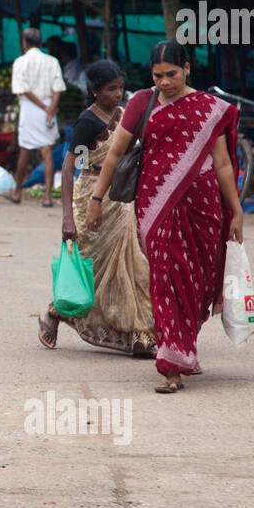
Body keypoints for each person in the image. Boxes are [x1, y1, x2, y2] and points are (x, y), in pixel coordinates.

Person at [87, 40, 244, 393]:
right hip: (156, 208)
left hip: (202, 208)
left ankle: (185, 347)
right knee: (166, 279)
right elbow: (114, 154)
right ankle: (172, 365)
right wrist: (96, 198)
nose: (165, 82)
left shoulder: (208, 108)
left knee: (195, 280)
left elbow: (222, 164)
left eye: (171, 74)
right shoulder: (142, 103)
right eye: (158, 76)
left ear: (187, 68)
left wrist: (236, 211)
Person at [38, 60, 155, 356]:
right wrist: (67, 218)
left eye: (120, 88)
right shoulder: (87, 123)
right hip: (92, 195)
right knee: (93, 265)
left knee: (133, 264)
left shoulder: (124, 115)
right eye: (111, 89)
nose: (118, 94)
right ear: (94, 91)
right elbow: (68, 168)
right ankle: (55, 312)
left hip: (121, 194)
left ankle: (140, 333)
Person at [9, 28, 66, 207]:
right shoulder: (52, 61)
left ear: (24, 44)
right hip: (48, 108)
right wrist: (50, 108)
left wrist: (44, 107)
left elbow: (24, 89)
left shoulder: (20, 62)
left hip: (30, 109)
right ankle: (47, 196)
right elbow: (58, 88)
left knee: (25, 150)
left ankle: (17, 192)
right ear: (41, 44)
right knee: (46, 151)